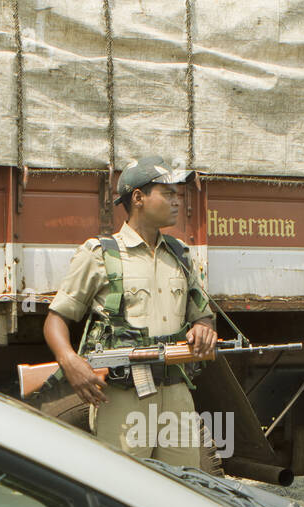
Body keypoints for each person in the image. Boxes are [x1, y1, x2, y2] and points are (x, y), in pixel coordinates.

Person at [42, 155, 218, 467]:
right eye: (167, 193)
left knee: (188, 488)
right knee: (126, 486)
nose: (177, 201)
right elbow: (57, 318)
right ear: (138, 198)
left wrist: (204, 327)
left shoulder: (179, 254)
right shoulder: (101, 254)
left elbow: (200, 312)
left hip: (176, 392)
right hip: (124, 396)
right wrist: (70, 363)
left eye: (176, 194)